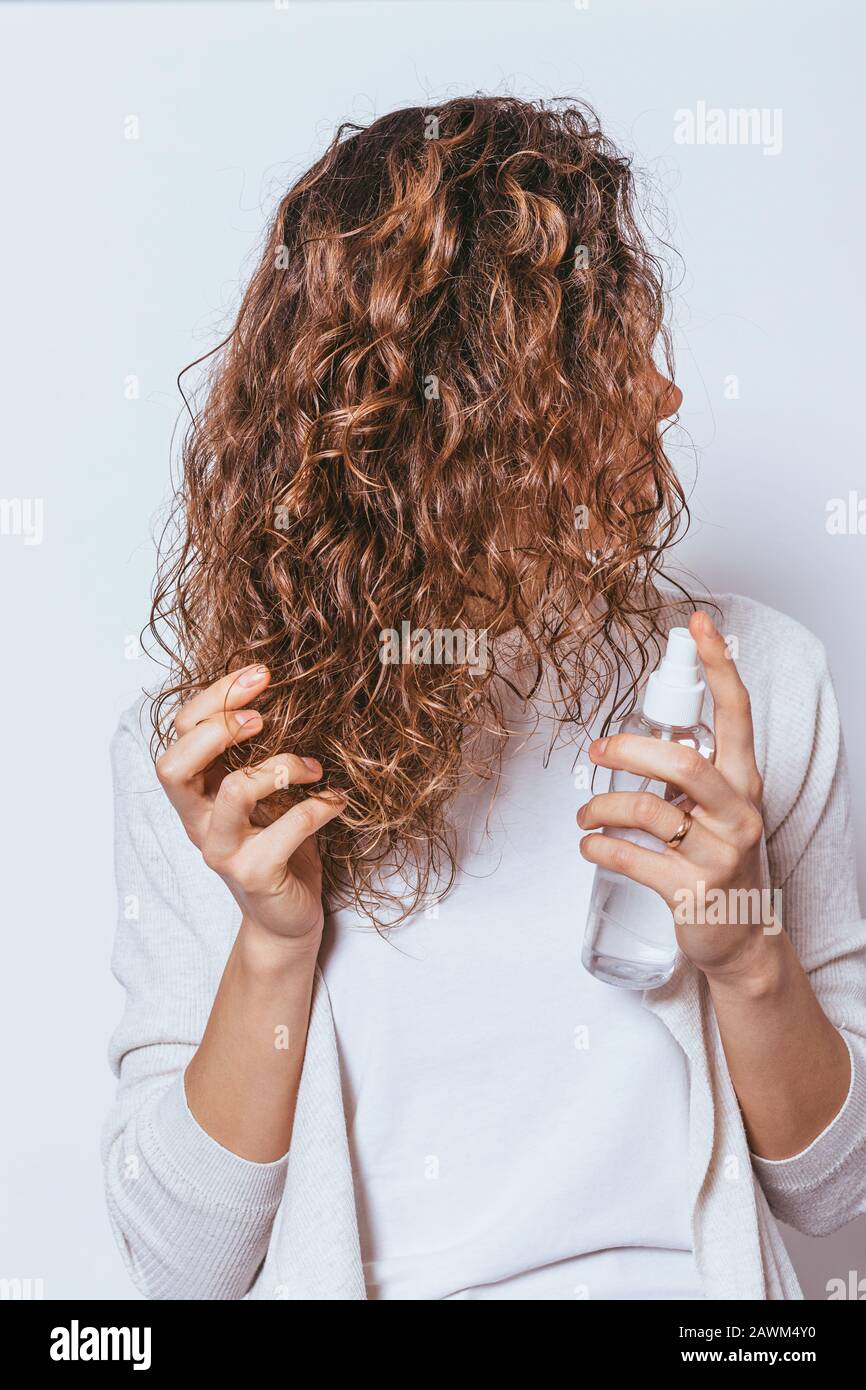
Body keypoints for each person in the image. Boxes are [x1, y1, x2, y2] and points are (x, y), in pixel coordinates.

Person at [102, 96, 866, 1301]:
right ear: (464, 413)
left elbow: (838, 1200)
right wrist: (271, 944)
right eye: (609, 355)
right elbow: (182, 1271)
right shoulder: (226, 765)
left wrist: (747, 952)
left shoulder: (754, 683)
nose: (664, 399)